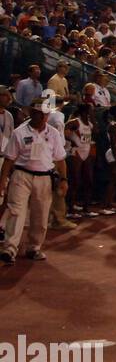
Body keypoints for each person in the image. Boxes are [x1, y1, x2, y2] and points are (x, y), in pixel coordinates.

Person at [0, 92, 68, 264]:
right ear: (31, 113)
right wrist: (3, 180)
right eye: (38, 114)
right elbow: (9, 159)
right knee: (16, 211)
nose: (42, 117)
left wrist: (64, 179)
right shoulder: (19, 132)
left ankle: (34, 247)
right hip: (21, 175)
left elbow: (60, 159)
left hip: (44, 178)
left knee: (41, 214)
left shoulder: (52, 133)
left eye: (45, 114)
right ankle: (9, 248)